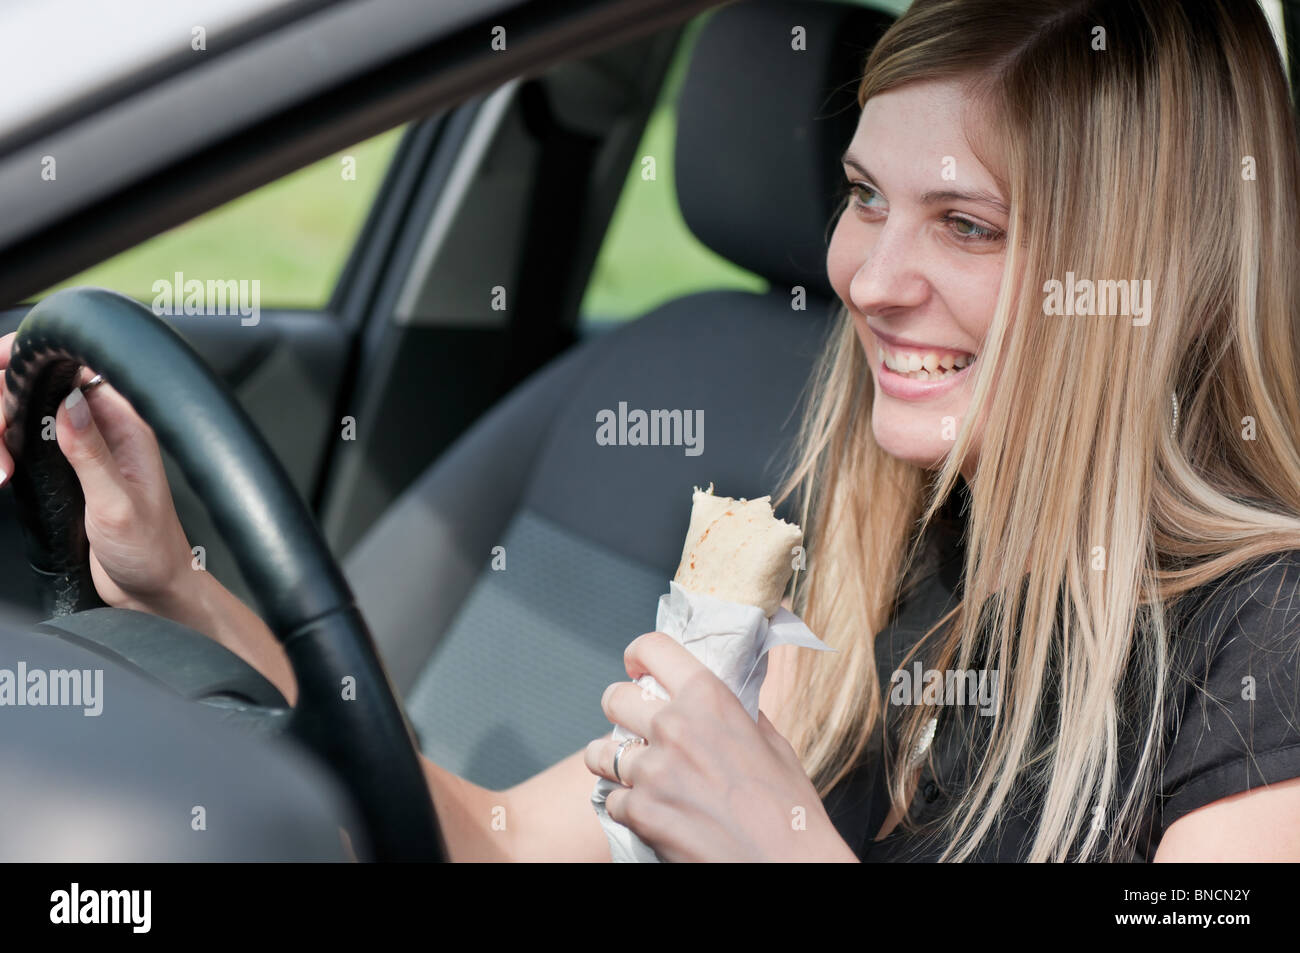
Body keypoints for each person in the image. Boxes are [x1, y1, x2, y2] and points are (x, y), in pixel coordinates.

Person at [3, 0, 1300, 862]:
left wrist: (780, 843)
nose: (868, 274)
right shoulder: (869, 559)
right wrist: (175, 581)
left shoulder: (1261, 656)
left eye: (965, 224)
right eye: (863, 195)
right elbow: (492, 833)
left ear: (1144, 273)